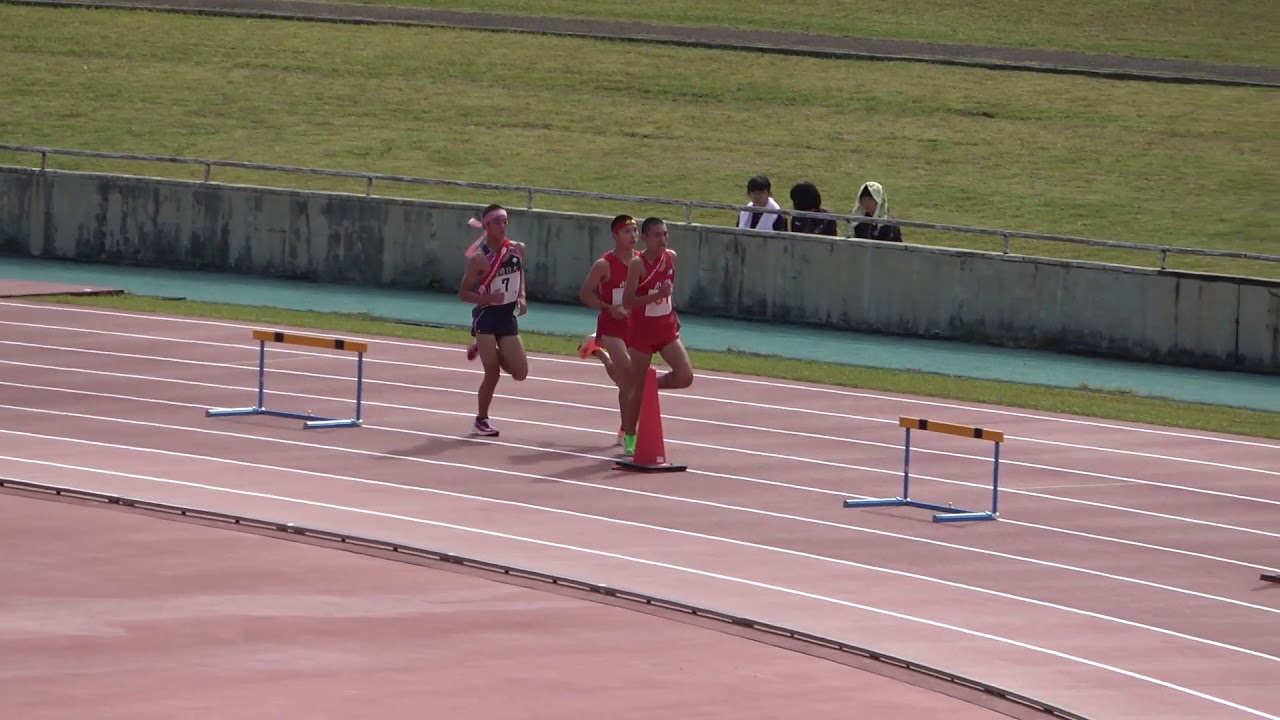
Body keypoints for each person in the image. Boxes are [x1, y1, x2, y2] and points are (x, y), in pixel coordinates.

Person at [619, 217, 694, 456]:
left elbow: (668, 289)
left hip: (665, 327)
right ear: (645, 238)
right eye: (657, 235)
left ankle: (652, 387)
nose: (662, 239)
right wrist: (655, 297)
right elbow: (627, 301)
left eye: (665, 234)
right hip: (642, 331)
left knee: (685, 376)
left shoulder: (671, 257)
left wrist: (673, 310)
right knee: (636, 386)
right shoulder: (637, 264)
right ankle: (629, 433)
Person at [457, 204, 528, 437]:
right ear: (486, 226)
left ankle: (483, 347)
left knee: (520, 372)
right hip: (486, 317)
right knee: (493, 372)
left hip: (507, 316)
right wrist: (486, 298)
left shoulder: (518, 250)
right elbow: (464, 293)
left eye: (505, 222)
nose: (502, 227)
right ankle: (481, 419)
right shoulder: (480, 259)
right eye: (497, 222)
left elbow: (519, 273)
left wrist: (521, 295)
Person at [577, 214, 640, 446]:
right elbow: (585, 294)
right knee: (628, 377)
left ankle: (599, 353)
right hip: (611, 325)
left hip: (635, 326)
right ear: (615, 236)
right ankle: (629, 432)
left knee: (630, 382)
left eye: (635, 231)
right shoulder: (604, 264)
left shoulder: (641, 261)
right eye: (627, 232)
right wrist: (607, 307)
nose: (633, 236)